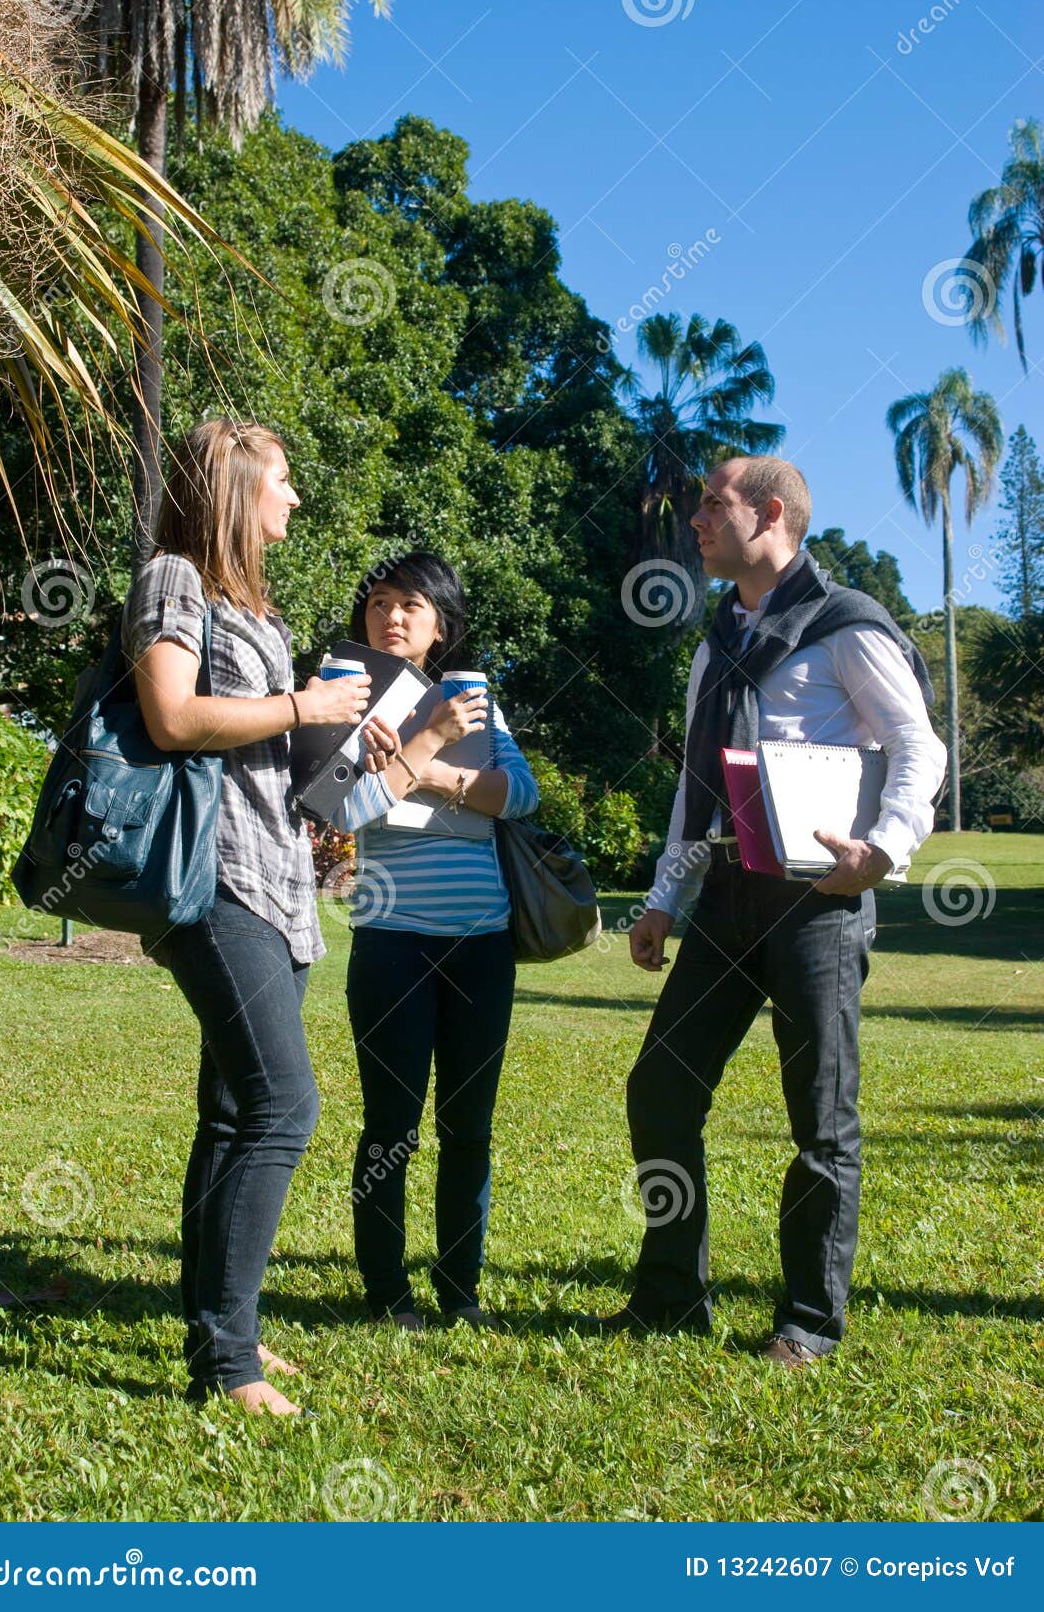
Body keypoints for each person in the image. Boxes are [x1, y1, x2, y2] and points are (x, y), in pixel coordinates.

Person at [591, 457, 947, 1365]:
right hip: (722, 899)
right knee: (661, 1091)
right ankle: (672, 1297)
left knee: (820, 1120)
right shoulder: (715, 643)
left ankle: (807, 1322)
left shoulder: (844, 626)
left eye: (713, 505)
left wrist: (887, 852)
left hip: (818, 903)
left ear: (772, 514)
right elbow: (694, 786)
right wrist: (663, 902)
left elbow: (916, 745)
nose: (696, 521)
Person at [121, 418, 371, 1415]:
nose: (295, 500)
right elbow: (173, 717)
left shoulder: (248, 606)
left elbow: (282, 761)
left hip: (278, 881)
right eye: (284, 479)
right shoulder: (172, 581)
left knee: (232, 1113)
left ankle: (229, 1328)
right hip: (213, 879)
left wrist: (350, 729)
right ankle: (229, 1367)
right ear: (234, 487)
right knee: (283, 1105)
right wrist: (303, 707)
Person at [332, 551, 539, 1331]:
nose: (390, 616)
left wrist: (434, 764)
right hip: (390, 942)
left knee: (469, 1125)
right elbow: (340, 811)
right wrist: (421, 746)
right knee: (390, 1126)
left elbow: (519, 794)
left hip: (480, 945)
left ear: (440, 625)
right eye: (379, 602)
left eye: (410, 606)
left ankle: (461, 1292)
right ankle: (385, 1293)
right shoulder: (345, 703)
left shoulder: (473, 701)